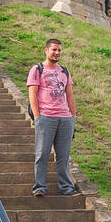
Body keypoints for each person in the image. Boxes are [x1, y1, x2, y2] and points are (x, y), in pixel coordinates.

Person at [27, 38, 80, 197]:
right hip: (46, 117)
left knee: (63, 156)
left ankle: (66, 188)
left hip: (65, 119)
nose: (57, 53)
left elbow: (70, 95)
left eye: (59, 50)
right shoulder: (37, 69)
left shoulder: (64, 71)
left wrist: (72, 116)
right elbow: (32, 95)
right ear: (46, 50)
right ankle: (40, 187)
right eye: (54, 50)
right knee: (42, 154)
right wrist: (37, 117)